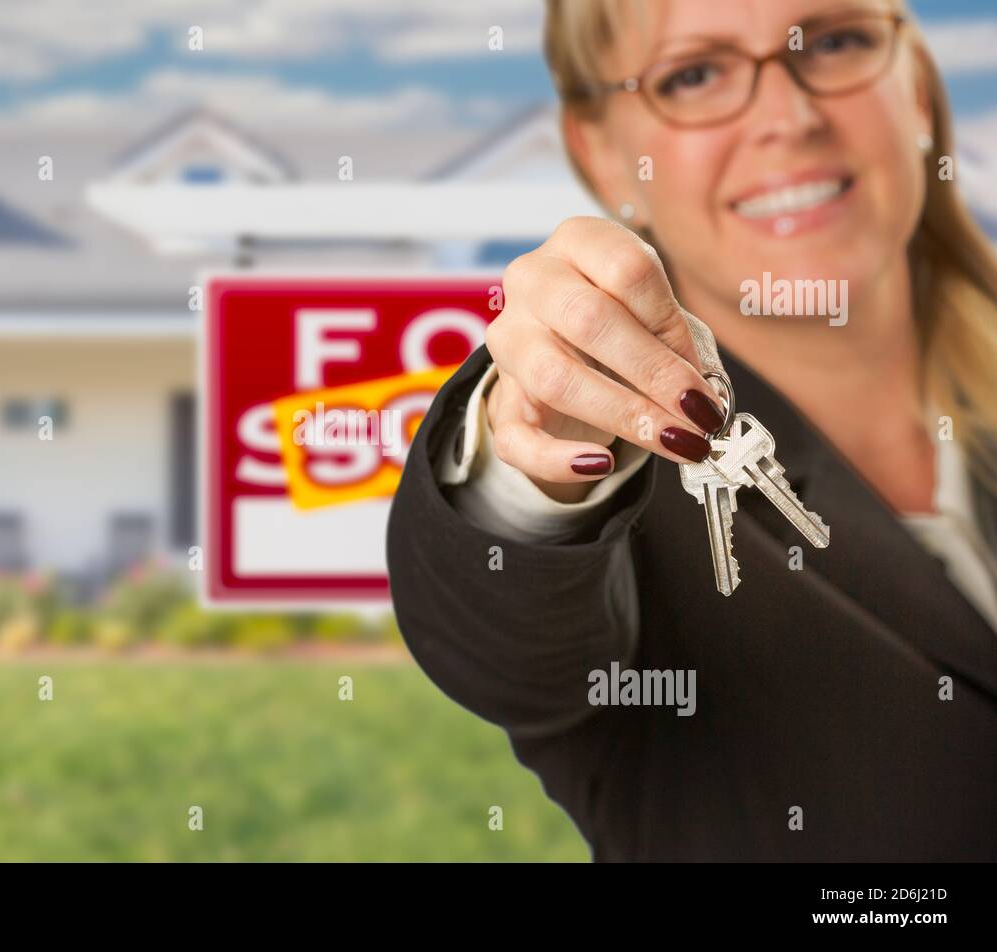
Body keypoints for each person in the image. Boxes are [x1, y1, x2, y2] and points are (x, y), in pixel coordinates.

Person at [386, 0, 997, 861]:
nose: (790, 118)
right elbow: (500, 645)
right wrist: (530, 463)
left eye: (835, 41)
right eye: (695, 74)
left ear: (919, 91)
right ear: (602, 152)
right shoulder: (631, 516)